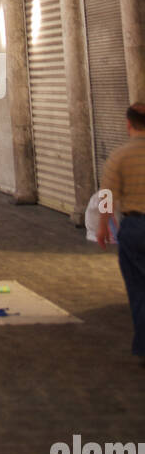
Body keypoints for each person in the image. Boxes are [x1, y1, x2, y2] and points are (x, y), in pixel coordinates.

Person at [97, 101, 145, 365]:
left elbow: (107, 195)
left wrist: (103, 225)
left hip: (136, 227)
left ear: (128, 125)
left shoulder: (121, 155)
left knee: (139, 290)